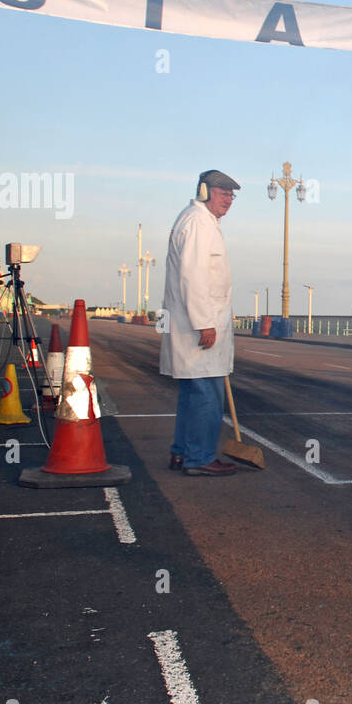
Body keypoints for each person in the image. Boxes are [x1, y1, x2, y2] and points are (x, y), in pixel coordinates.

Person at [160, 169, 240, 477]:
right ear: (205, 191)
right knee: (207, 396)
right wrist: (205, 322)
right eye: (223, 194)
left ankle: (182, 453)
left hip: (193, 326)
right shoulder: (197, 224)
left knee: (194, 396)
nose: (228, 201)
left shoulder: (201, 222)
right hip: (198, 328)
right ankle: (200, 458)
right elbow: (192, 277)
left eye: (232, 196)